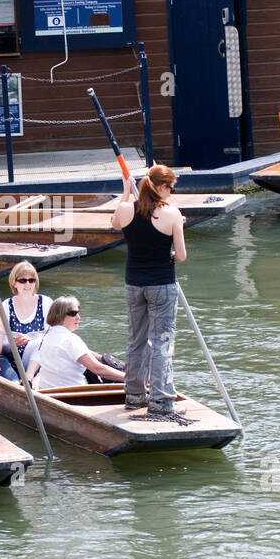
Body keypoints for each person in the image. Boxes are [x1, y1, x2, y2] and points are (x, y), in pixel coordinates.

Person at [111, 164, 188, 419]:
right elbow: (182, 256)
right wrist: (168, 252)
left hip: (133, 284)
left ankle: (134, 395)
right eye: (171, 187)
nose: (172, 192)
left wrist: (125, 193)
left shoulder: (126, 209)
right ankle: (161, 401)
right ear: (162, 187)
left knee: (137, 339)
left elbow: (114, 223)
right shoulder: (172, 214)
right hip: (162, 285)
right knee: (162, 343)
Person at [29, 296, 126, 389]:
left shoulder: (47, 337)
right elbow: (98, 369)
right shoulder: (70, 340)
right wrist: (129, 378)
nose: (78, 317)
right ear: (60, 316)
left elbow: (85, 353)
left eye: (78, 313)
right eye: (73, 313)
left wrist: (112, 361)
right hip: (77, 395)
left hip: (51, 391)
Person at [0, 261, 52, 370]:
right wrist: (12, 344)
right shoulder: (6, 306)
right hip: (13, 363)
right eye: (23, 280)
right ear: (14, 283)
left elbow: (52, 336)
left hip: (41, 362)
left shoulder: (46, 303)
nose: (28, 284)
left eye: (31, 280)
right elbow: (0, 344)